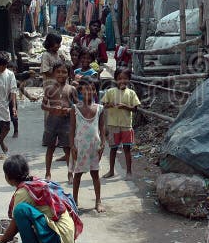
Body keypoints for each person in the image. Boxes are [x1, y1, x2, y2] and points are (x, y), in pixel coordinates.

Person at [0, 155, 83, 243]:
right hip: (67, 238)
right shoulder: (36, 182)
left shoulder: (23, 192)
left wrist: (2, 241)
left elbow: (15, 224)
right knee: (29, 214)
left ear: (8, 177)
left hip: (58, 242)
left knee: (20, 210)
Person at [70, 77, 106, 213]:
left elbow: (102, 127)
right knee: (78, 175)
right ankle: (74, 201)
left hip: (94, 146)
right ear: (80, 90)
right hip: (80, 146)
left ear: (96, 91)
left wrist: (103, 144)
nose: (89, 92)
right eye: (86, 89)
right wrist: (72, 146)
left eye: (92, 89)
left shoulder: (100, 108)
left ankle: (98, 201)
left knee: (95, 174)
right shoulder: (75, 108)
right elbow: (71, 129)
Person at [102, 68, 141, 179]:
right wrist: (110, 105)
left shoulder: (131, 93)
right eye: (119, 78)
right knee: (113, 148)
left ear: (129, 79)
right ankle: (111, 171)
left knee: (127, 149)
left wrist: (125, 106)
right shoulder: (110, 92)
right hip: (113, 125)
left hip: (126, 125)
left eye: (125, 78)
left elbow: (135, 109)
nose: (122, 81)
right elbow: (104, 105)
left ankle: (129, 172)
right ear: (115, 79)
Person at [41, 63, 76, 180]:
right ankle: (47, 173)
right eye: (58, 72)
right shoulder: (49, 89)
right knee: (50, 148)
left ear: (68, 74)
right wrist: (52, 109)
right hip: (52, 121)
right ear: (53, 74)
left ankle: (70, 173)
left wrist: (69, 110)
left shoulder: (71, 89)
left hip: (66, 122)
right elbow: (43, 105)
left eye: (64, 72)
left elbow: (77, 106)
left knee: (67, 148)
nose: (61, 74)